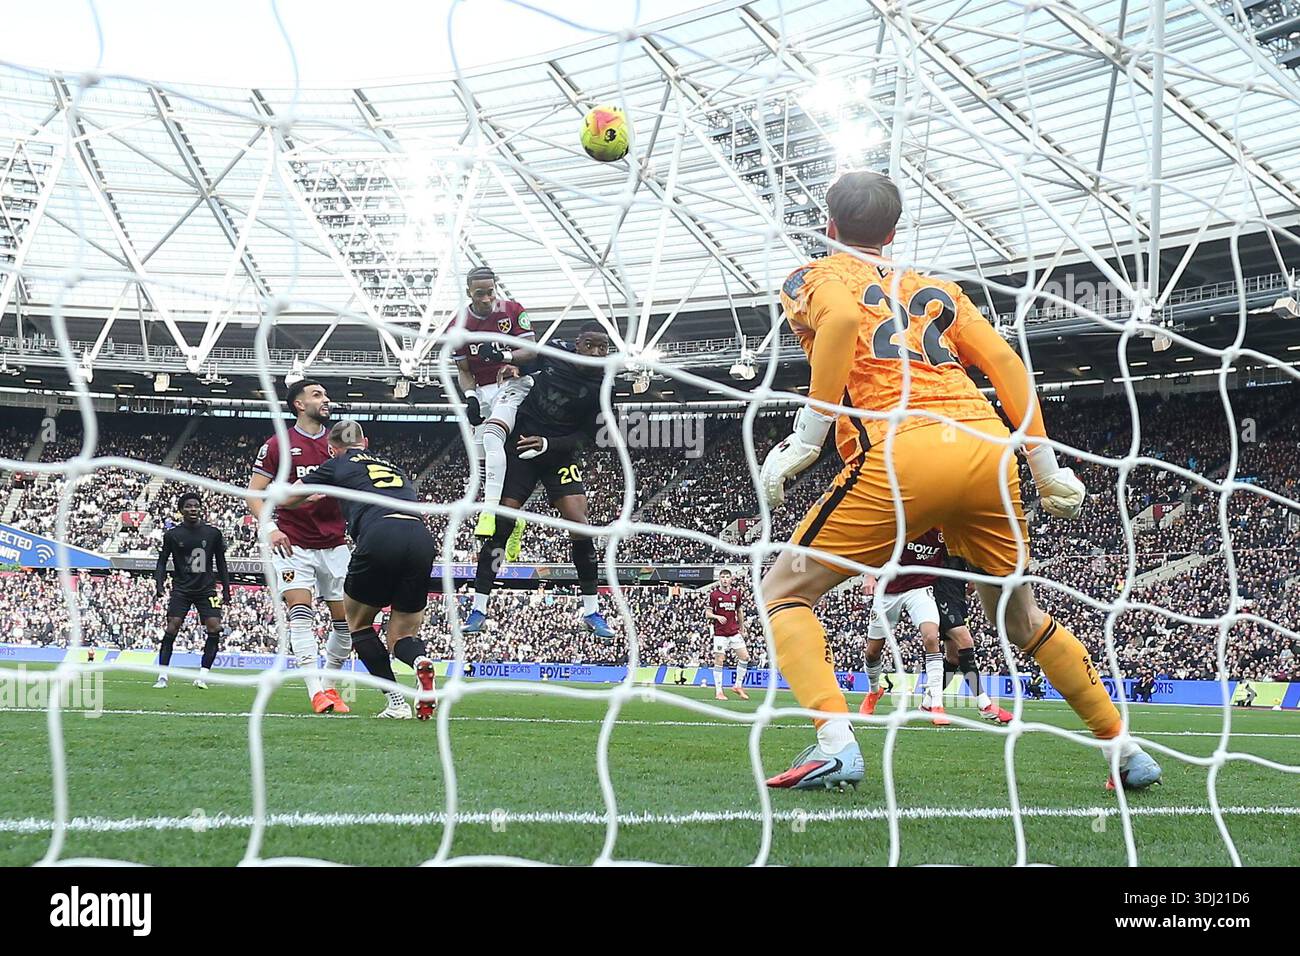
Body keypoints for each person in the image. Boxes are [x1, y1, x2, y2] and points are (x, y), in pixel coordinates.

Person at [759, 170, 1161, 791]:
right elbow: (1004, 362)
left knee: (784, 592)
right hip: (989, 449)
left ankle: (835, 742)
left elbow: (839, 325)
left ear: (829, 227)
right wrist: (1044, 464)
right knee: (1022, 619)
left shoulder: (813, 276)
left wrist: (807, 439)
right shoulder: (936, 287)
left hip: (903, 451)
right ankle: (1126, 749)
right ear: (894, 233)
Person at [464, 323, 616, 639]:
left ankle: (592, 611)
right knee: (502, 524)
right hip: (520, 447)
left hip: (557, 453)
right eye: (592, 345)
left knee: (580, 523)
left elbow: (588, 436)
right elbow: (528, 354)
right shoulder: (556, 353)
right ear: (579, 343)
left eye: (604, 348)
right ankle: (479, 608)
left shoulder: (604, 385)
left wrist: (547, 444)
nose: (598, 353)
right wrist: (506, 357)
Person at [284, 421, 438, 719]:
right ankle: (419, 659)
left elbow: (288, 498)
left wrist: (313, 494)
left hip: (380, 535)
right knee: (401, 635)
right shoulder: (394, 468)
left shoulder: (335, 464)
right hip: (420, 537)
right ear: (365, 442)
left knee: (358, 624)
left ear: (332, 448)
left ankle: (396, 702)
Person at [247, 380, 353, 715]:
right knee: (301, 614)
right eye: (317, 395)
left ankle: (331, 686)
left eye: (326, 393)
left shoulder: (339, 444)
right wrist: (271, 528)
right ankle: (315, 692)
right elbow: (254, 493)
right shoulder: (278, 445)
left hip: (335, 543)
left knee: (347, 624)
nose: (326, 399)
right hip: (294, 543)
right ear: (298, 404)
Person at [453, 266, 536, 556]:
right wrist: (471, 396)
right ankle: (513, 520)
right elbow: (463, 370)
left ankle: (489, 512)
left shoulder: (512, 310)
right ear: (468, 293)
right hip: (485, 390)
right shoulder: (458, 325)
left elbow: (531, 350)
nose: (487, 298)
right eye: (480, 294)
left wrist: (505, 355)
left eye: (491, 291)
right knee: (480, 458)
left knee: (491, 438)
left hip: (514, 383)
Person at [152, 491, 229, 690]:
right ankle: (163, 676)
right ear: (181, 510)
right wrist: (159, 584)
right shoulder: (173, 535)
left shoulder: (213, 533)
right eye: (188, 506)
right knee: (172, 627)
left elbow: (221, 563)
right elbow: (162, 561)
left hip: (207, 589)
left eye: (196, 505)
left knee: (214, 628)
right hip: (182, 589)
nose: (193, 509)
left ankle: (202, 676)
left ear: (200, 508)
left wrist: (226, 590)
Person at [707, 568, 750, 701]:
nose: (725, 579)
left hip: (733, 631)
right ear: (720, 579)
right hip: (720, 633)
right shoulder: (714, 595)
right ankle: (719, 691)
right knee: (719, 660)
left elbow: (739, 611)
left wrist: (742, 628)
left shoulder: (736, 594)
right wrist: (716, 616)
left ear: (731, 579)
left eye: (727, 577)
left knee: (745, 657)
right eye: (723, 577)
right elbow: (707, 613)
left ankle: (737, 685)